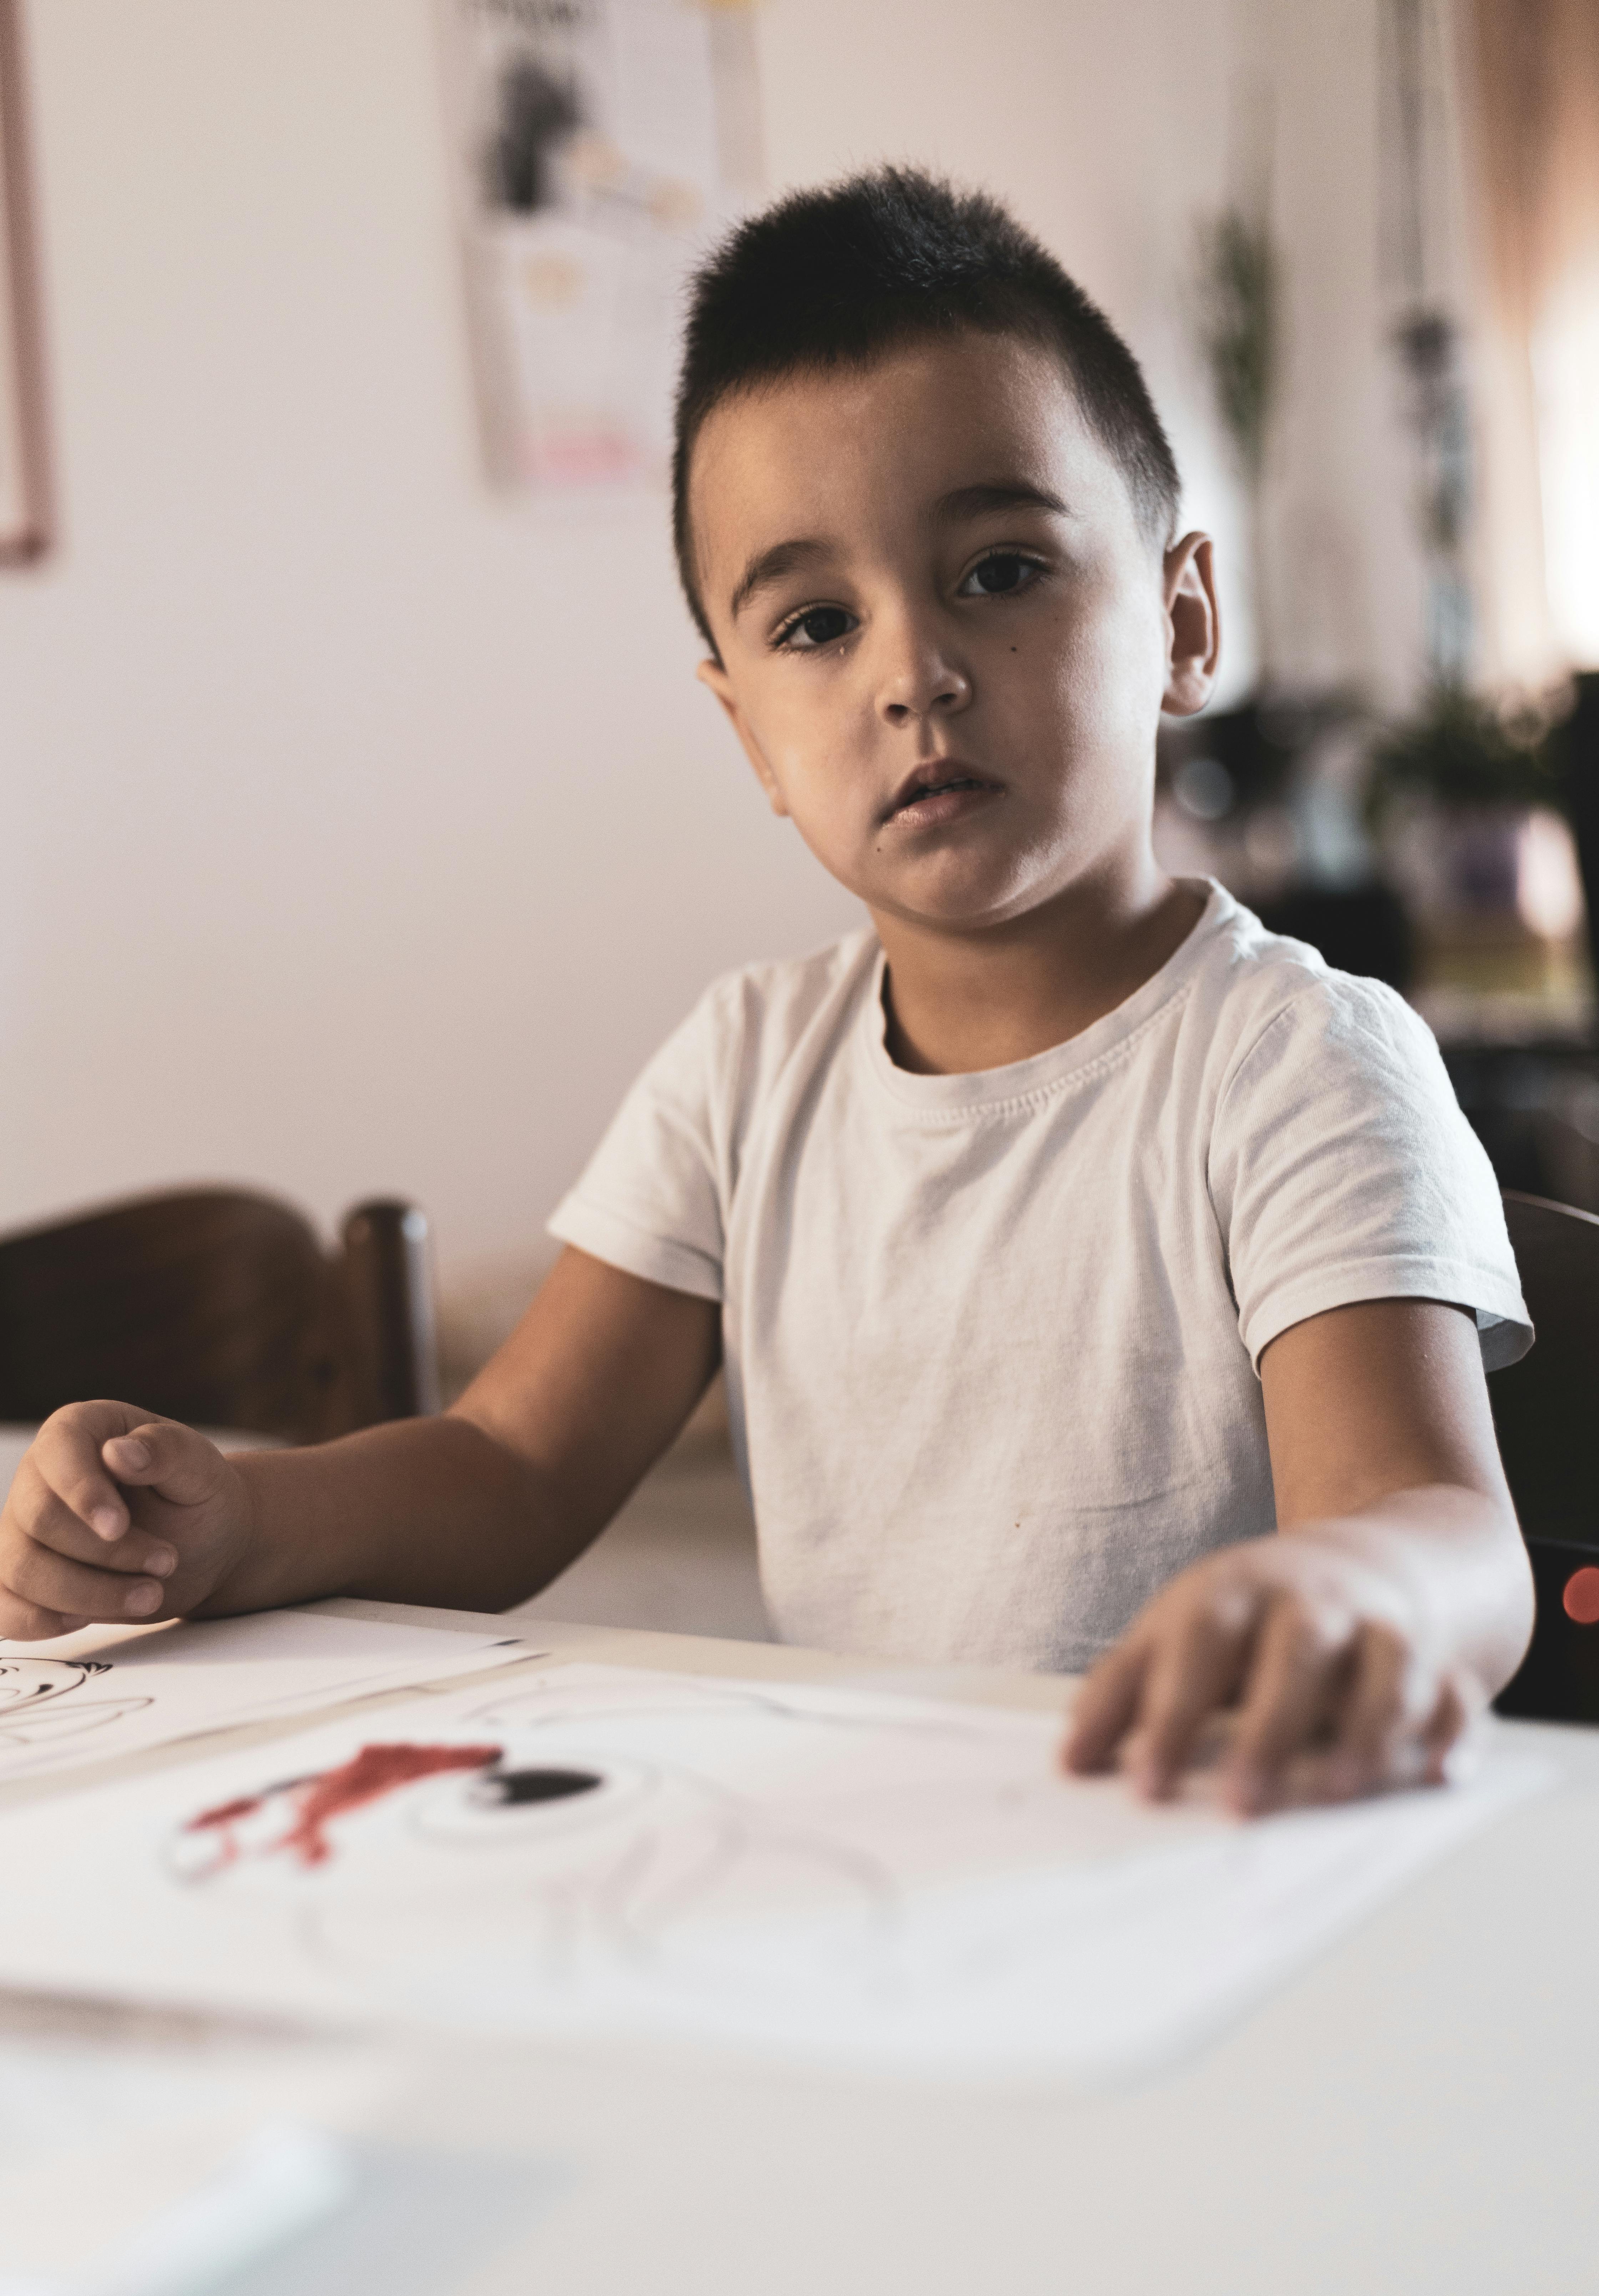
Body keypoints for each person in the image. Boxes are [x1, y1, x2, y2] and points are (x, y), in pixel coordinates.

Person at [0, 169, 1533, 1814]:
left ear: (1178, 617)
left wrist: (1348, 1592)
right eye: (814, 621)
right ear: (746, 735)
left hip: (1209, 1851)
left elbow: (1443, 1534)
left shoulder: (1295, 1059)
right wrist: (241, 1520)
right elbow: (514, 1467)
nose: (912, 673)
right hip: (880, 1862)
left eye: (999, 571)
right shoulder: (747, 1067)